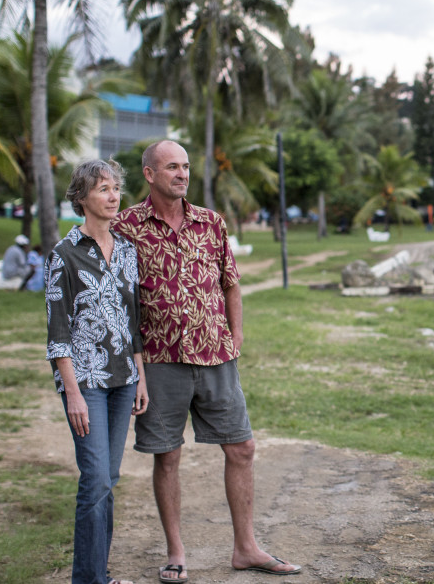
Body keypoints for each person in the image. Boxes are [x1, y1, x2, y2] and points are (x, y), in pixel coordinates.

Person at [112, 140, 301, 583]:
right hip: (159, 361)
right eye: (171, 167)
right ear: (149, 174)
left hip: (216, 355)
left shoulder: (210, 223)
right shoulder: (126, 227)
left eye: (185, 167)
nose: (181, 174)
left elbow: (230, 284)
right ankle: (176, 552)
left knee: (242, 447)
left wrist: (235, 338)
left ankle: (246, 547)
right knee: (167, 455)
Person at [46, 159, 149, 584]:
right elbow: (58, 331)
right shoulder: (63, 255)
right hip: (85, 383)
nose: (113, 196)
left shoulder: (127, 250)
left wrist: (140, 375)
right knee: (96, 481)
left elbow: (133, 321)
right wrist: (71, 393)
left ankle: (96, 574)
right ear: (81, 197)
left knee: (109, 479)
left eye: (116, 188)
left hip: (124, 380)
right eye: (104, 189)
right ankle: (88, 580)